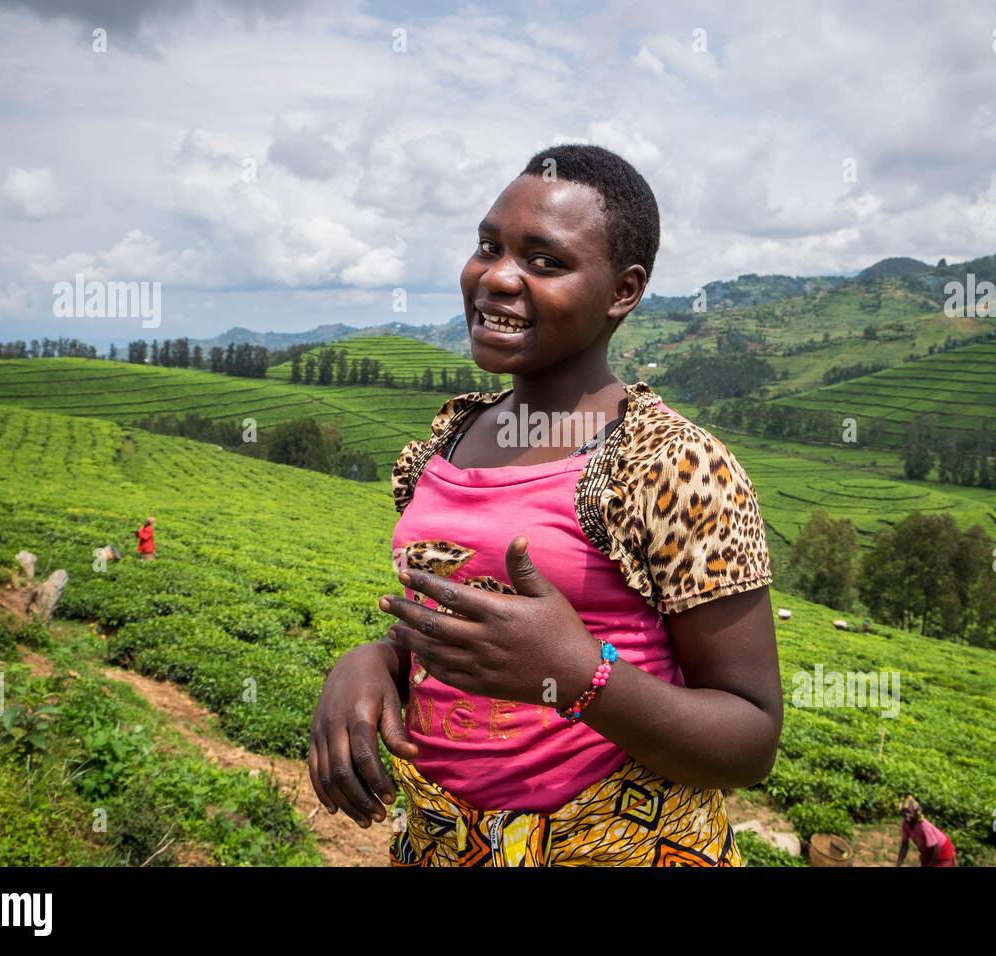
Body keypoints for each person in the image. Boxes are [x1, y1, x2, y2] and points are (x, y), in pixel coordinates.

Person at [308, 143, 781, 866]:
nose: (497, 277)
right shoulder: (448, 442)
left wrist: (582, 675)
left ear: (623, 291)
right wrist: (377, 660)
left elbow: (750, 738)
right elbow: (480, 637)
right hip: (444, 845)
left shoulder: (674, 465)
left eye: (545, 261)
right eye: (488, 246)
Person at [896, 795, 956, 867]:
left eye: (908, 813)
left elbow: (935, 847)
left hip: (942, 850)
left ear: (915, 813)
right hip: (927, 851)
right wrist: (899, 863)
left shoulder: (924, 826)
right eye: (904, 813)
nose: (906, 816)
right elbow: (904, 845)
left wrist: (931, 864)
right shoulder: (906, 824)